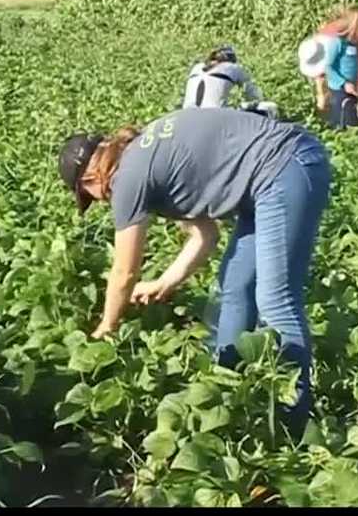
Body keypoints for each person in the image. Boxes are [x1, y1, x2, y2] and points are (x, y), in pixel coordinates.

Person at [57, 108, 332, 439]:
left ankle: (294, 422)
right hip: (267, 179)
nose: (100, 202)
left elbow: (124, 271)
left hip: (285, 165)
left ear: (91, 178)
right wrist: (164, 282)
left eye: (90, 196)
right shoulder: (143, 157)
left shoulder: (128, 176)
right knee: (235, 286)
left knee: (275, 299)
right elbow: (206, 235)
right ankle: (224, 386)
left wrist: (106, 329)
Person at [304, 6, 358, 129]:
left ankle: (357, 125)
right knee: (327, 101)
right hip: (338, 78)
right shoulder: (328, 40)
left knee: (355, 107)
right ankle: (326, 126)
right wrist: (340, 84)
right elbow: (325, 68)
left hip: (352, 74)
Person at [182, 45, 277, 118]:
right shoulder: (233, 68)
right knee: (270, 107)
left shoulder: (197, 67)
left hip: (186, 114)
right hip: (215, 114)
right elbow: (255, 95)